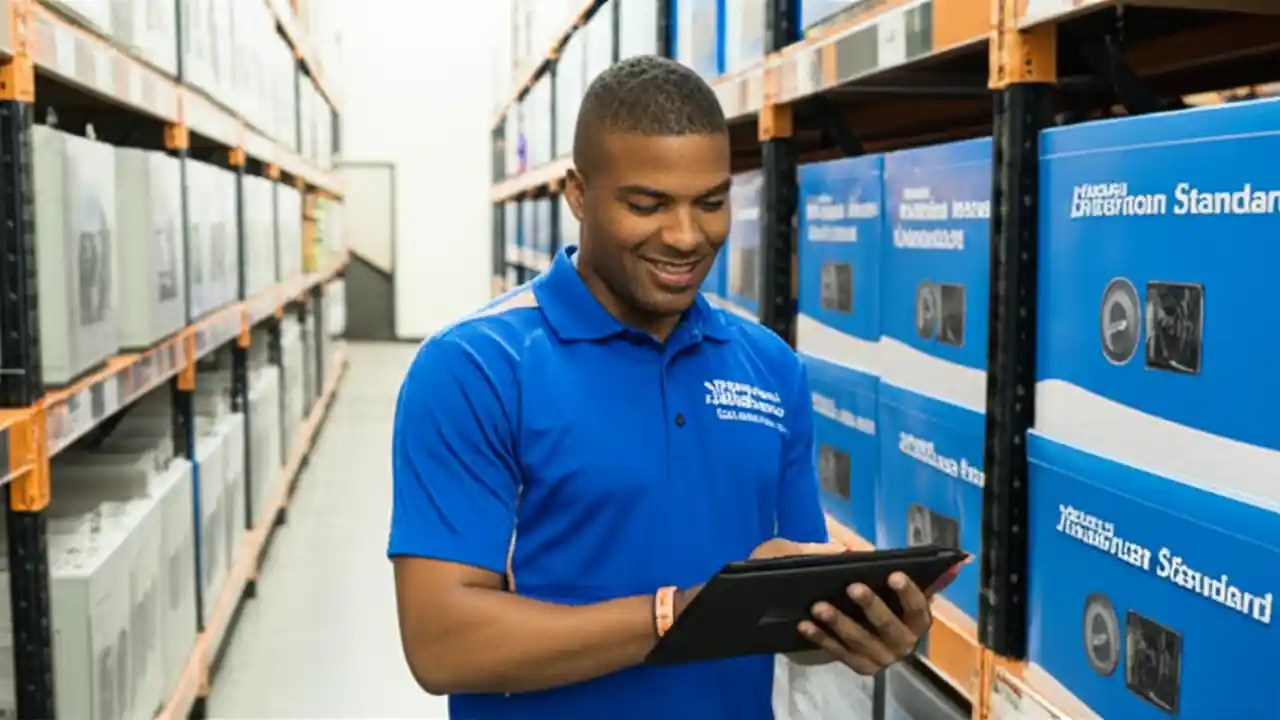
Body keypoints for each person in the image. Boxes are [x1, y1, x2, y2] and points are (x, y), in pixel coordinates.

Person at [389, 55, 935, 719]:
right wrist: (678, 613)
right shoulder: (475, 368)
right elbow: (443, 645)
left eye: (711, 203)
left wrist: (860, 627)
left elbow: (785, 612)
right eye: (647, 205)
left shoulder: (770, 368)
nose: (685, 237)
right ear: (579, 194)